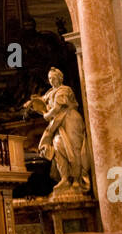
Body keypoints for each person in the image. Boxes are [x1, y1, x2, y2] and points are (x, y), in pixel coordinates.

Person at [26, 67, 89, 196]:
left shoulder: (65, 90)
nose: (51, 80)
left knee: (73, 149)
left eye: (54, 78)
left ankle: (76, 180)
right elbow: (41, 102)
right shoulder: (50, 92)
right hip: (57, 123)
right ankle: (65, 178)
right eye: (49, 78)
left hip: (69, 119)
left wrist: (46, 115)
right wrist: (32, 103)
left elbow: (56, 108)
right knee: (58, 146)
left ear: (60, 78)